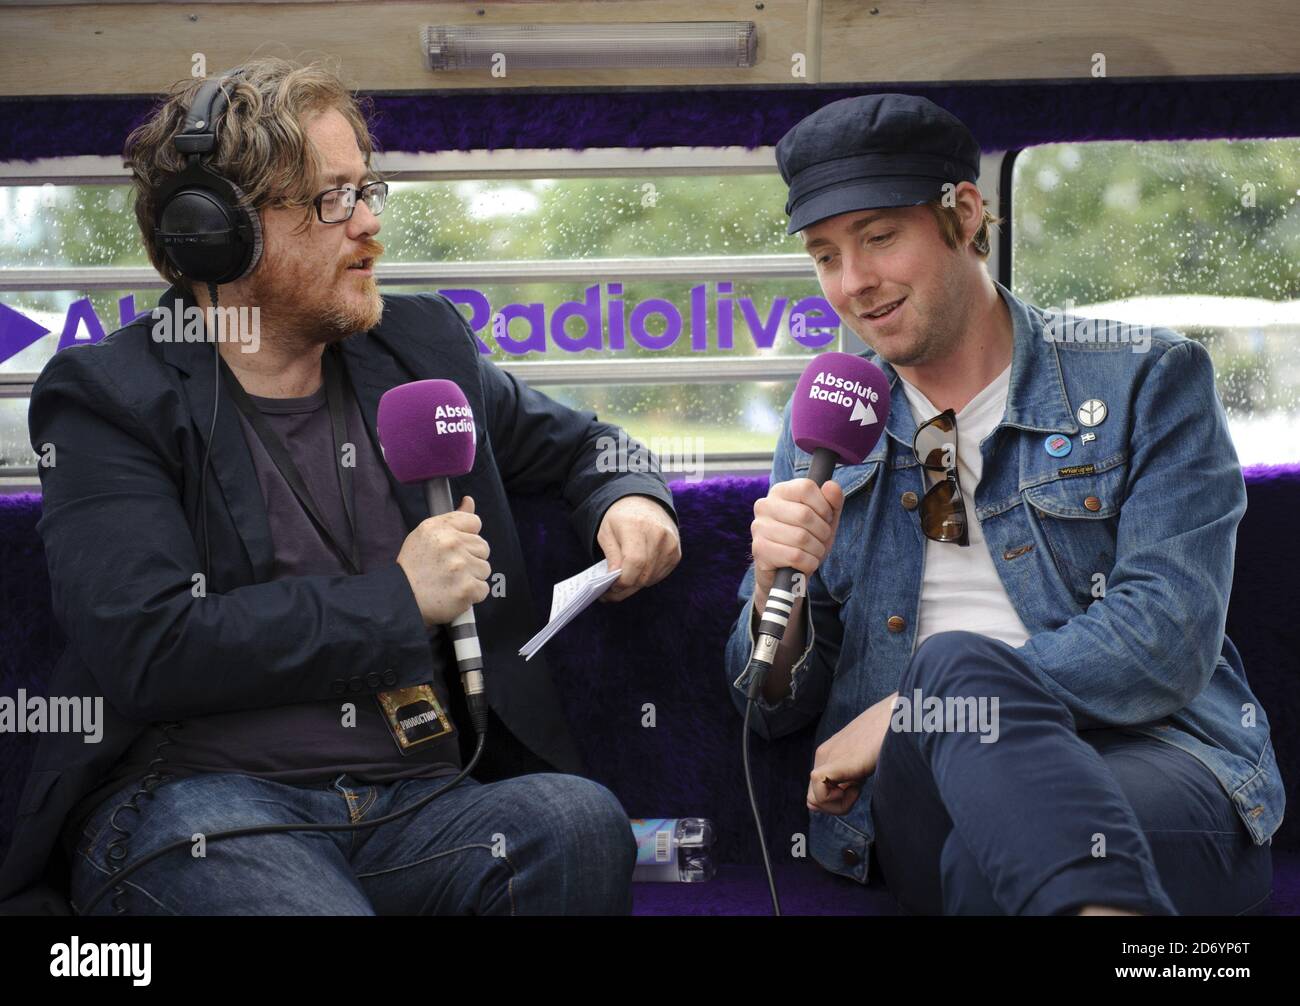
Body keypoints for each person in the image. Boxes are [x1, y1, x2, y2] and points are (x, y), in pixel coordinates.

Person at [1, 57, 681, 916]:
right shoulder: (110, 399)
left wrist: (630, 497)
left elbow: (587, 445)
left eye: (369, 190)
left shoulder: (421, 349)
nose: (368, 226)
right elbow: (148, 646)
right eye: (333, 199)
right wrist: (398, 599)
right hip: (207, 807)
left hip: (420, 801)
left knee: (578, 823)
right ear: (219, 231)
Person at [724, 93, 1282, 916]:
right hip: (927, 784)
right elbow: (763, 710)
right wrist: (782, 583)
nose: (854, 283)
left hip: (1150, 756)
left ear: (965, 211)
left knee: (985, 862)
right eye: (826, 255)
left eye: (880, 237)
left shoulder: (1146, 379)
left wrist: (918, 703)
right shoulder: (827, 429)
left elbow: (1167, 637)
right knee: (955, 698)